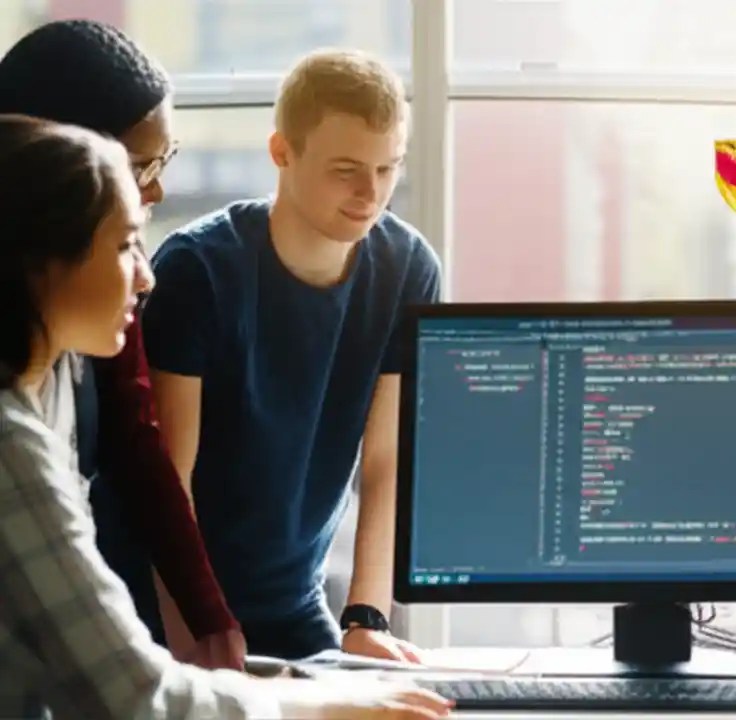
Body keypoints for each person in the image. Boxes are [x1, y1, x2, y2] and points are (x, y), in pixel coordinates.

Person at [0, 112, 453, 720]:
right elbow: (138, 695)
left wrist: (348, 644)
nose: (145, 275)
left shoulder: (48, 401)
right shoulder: (13, 448)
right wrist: (318, 707)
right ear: (43, 263)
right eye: (124, 243)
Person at [141, 48, 441, 661]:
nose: (371, 193)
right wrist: (204, 634)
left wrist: (366, 617)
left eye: (388, 169)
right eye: (346, 170)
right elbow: (170, 482)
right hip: (172, 608)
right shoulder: (197, 268)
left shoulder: (408, 268)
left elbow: (385, 458)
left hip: (297, 607)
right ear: (281, 152)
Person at [0, 19, 243, 669]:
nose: (157, 188)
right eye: (140, 167)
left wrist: (210, 619)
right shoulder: (13, 442)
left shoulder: (97, 292)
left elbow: (139, 436)